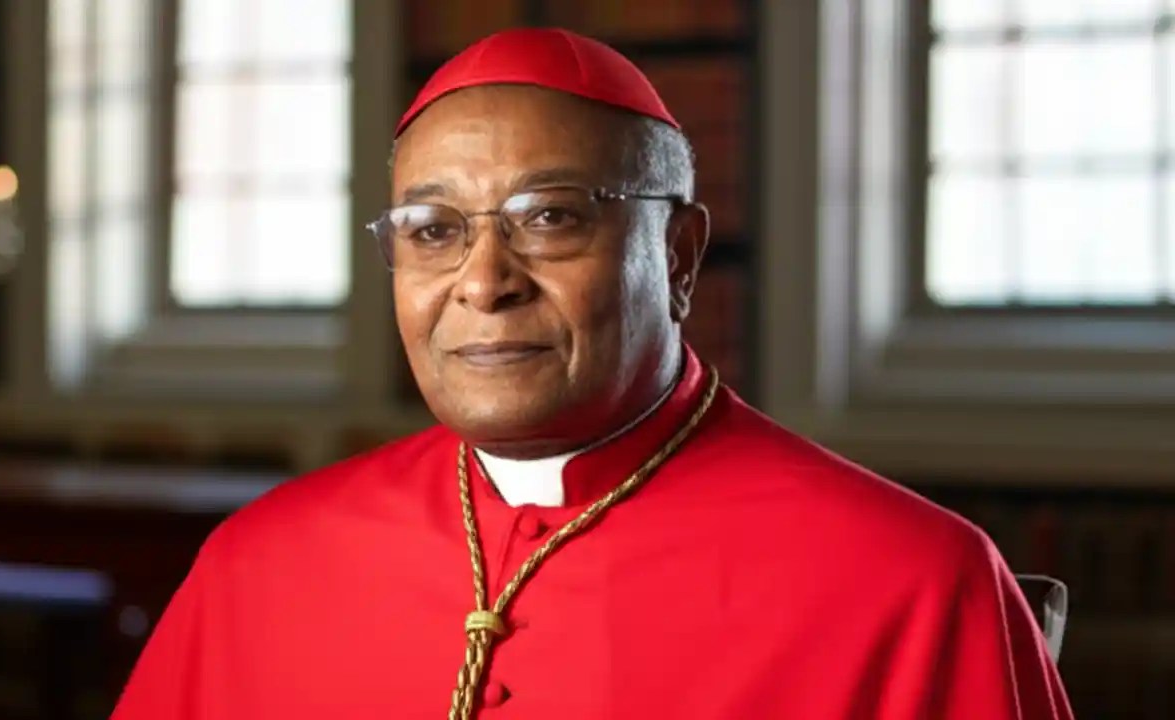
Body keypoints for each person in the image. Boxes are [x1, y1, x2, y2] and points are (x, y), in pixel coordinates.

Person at [110, 28, 1074, 719]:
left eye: (550, 218)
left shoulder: (908, 583)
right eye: (435, 232)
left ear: (681, 255)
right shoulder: (259, 564)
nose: (483, 284)